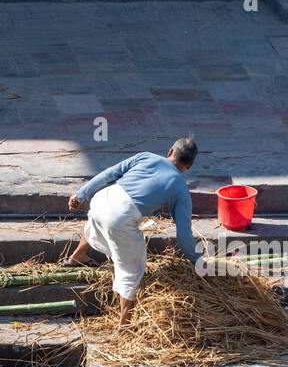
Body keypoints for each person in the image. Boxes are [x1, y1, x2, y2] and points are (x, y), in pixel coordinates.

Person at [64, 137, 202, 331]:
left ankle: (77, 257)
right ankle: (125, 325)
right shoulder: (180, 189)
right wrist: (198, 260)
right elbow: (184, 234)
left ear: (170, 151)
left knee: (97, 222)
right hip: (120, 218)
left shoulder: (145, 156)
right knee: (132, 268)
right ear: (189, 166)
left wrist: (82, 193)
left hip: (103, 199)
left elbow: (109, 173)